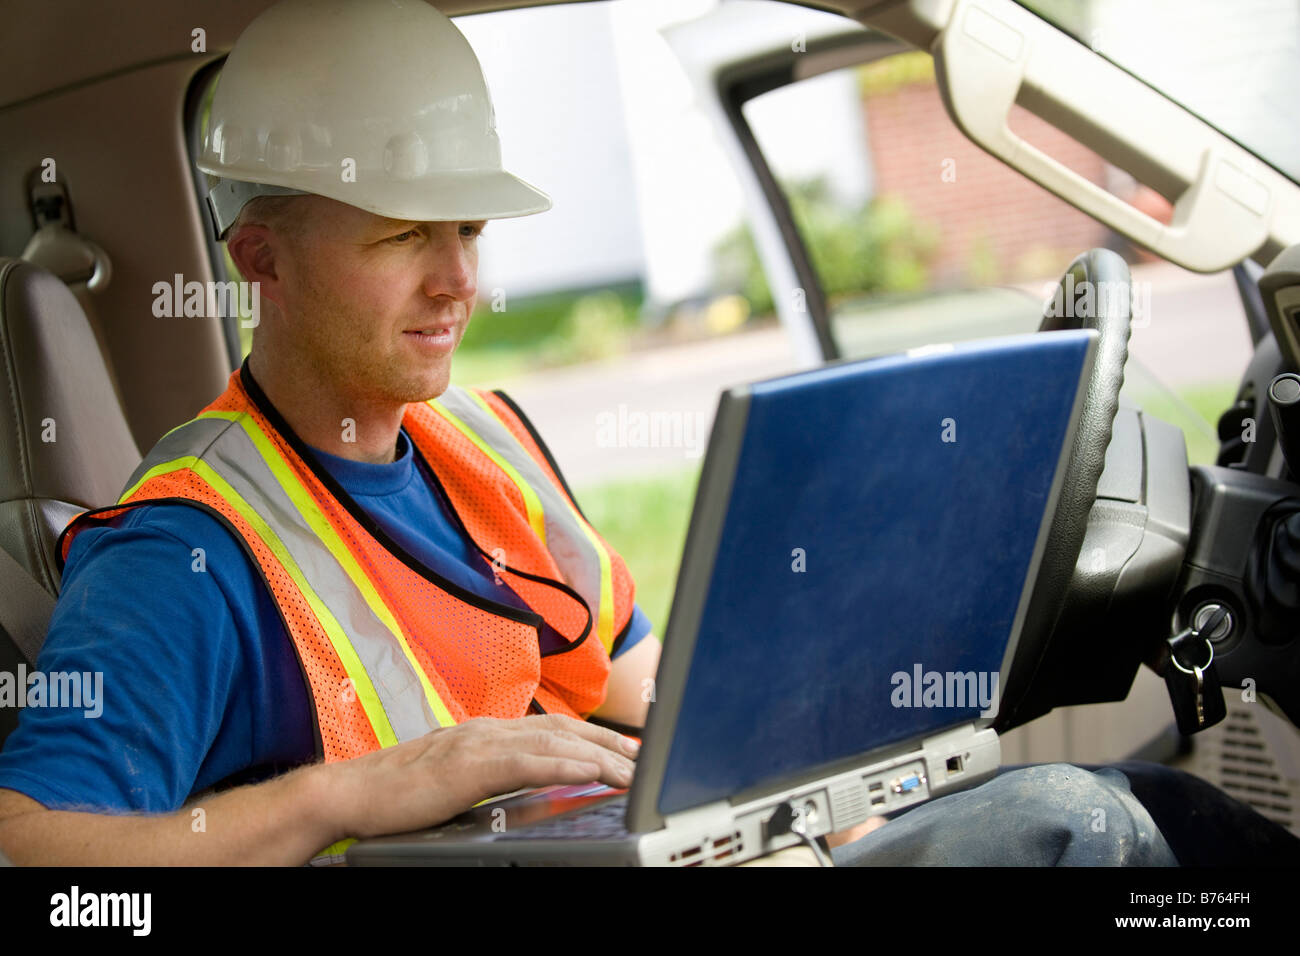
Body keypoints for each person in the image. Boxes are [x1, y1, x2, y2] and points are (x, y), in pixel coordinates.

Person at [0, 0, 1182, 867]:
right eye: (402, 236)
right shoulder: (180, 553)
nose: (459, 278)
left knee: (1165, 824)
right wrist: (356, 791)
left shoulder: (488, 442)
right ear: (261, 256)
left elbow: (628, 672)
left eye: (469, 227)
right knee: (1083, 831)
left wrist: (819, 777)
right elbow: (35, 856)